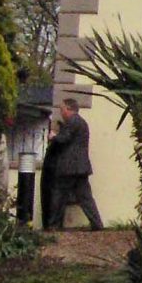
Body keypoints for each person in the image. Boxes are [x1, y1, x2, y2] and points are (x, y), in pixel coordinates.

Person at [44, 96, 102, 230]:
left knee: (58, 196)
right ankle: (97, 224)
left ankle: (53, 225)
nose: (61, 113)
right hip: (80, 167)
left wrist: (53, 136)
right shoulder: (81, 122)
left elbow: (64, 138)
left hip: (69, 167)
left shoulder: (73, 121)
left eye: (62, 109)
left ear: (69, 109)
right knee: (85, 198)